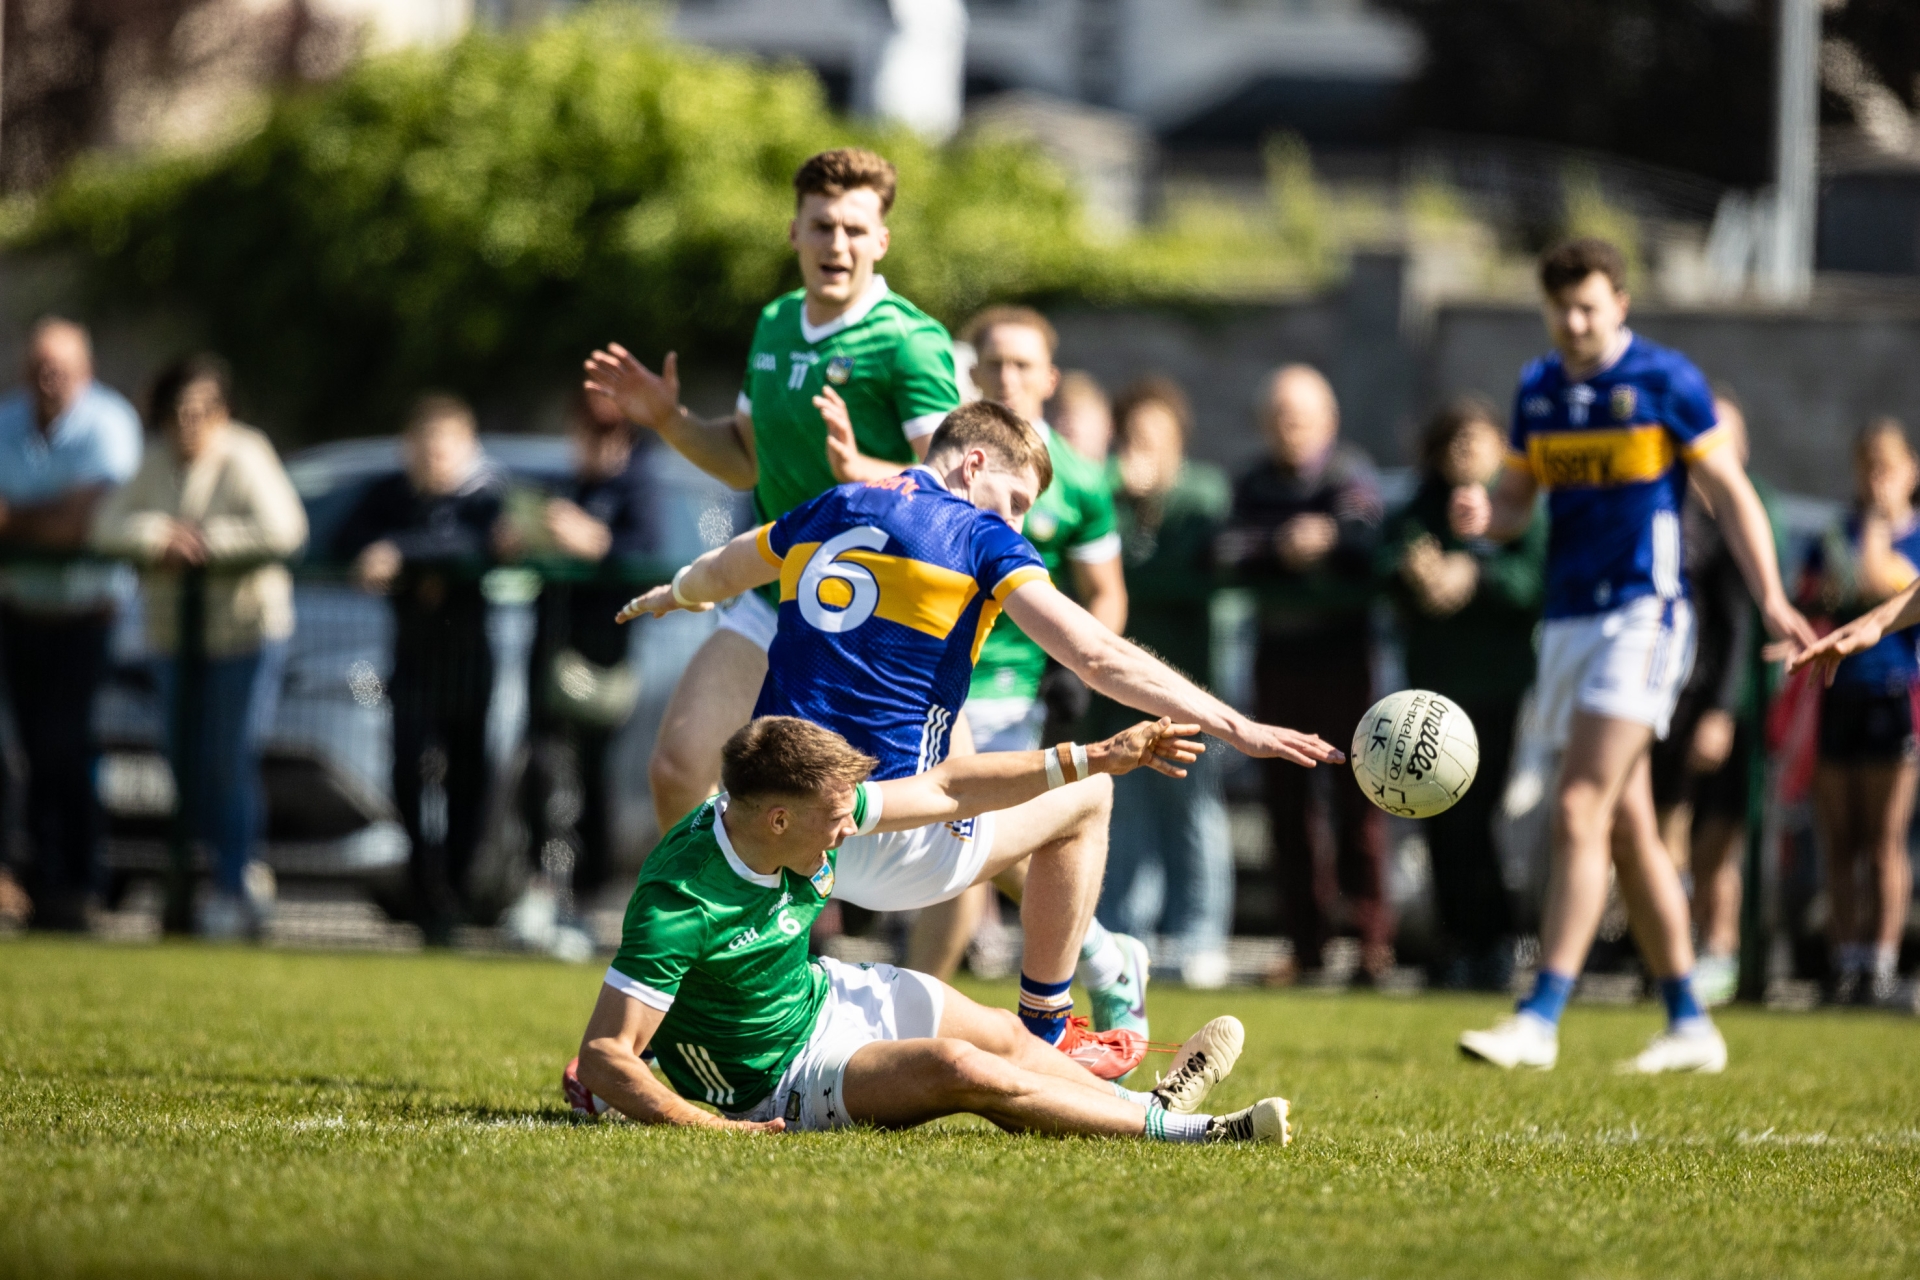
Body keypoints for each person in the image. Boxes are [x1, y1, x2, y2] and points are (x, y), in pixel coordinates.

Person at [616, 402, 1342, 1074]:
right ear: (972, 467)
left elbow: (733, 561)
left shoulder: (830, 505)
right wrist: (1235, 725)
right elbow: (1096, 653)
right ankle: (1051, 1024)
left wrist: (674, 594)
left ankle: (639, 1046)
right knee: (1086, 797)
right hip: (892, 835)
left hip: (780, 836)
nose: (1020, 523)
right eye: (1019, 500)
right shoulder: (979, 534)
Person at [566, 711, 1291, 1145]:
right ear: (778, 819)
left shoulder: (805, 818)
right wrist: (711, 1128)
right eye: (833, 819)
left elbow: (951, 787)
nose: (847, 828)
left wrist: (1098, 758)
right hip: (781, 1082)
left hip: (830, 995)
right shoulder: (681, 899)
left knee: (1008, 1036)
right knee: (963, 1070)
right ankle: (1199, 1131)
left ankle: (1146, 1106)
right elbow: (603, 1053)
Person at [1454, 238, 1811, 1073]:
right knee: (1628, 823)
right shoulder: (1539, 389)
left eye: (1590, 305)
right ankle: (1691, 1021)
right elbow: (1515, 503)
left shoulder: (1665, 380)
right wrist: (1485, 519)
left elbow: (1729, 491)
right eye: (1562, 308)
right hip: (1570, 621)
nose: (1576, 322)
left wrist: (1773, 597)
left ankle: (1539, 1015)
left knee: (1578, 806)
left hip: (1643, 617)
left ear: (1620, 301)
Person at [583, 148, 962, 838]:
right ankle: (714, 938)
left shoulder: (910, 341)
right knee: (678, 769)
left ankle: (1086, 932)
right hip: (771, 594)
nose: (836, 244)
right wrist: (668, 419)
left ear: (881, 240)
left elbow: (956, 492)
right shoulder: (777, 322)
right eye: (821, 226)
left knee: (920, 832)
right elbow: (743, 463)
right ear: (794, 232)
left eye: (853, 229)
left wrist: (863, 475)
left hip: (868, 619)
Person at [898, 307, 1134, 1021]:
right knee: (963, 852)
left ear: (1049, 377)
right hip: (934, 684)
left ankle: (927, 1011)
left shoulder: (1082, 481)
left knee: (963, 844)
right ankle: (1100, 958)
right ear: (972, 373)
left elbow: (1105, 593)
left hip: (1013, 692)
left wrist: (1075, 671)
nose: (1007, 377)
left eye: (1023, 365)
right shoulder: (942, 463)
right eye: (994, 364)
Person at [93, 353, 307, 938]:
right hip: (173, 638)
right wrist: (156, 536)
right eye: (178, 411)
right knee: (185, 765)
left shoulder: (246, 453)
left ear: (223, 412)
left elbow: (285, 529)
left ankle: (235, 889)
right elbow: (106, 526)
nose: (189, 423)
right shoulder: (154, 461)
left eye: (202, 411)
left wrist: (207, 544)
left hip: (245, 634)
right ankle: (203, 882)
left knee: (229, 760)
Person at [1218, 364, 1389, 986]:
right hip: (1278, 660)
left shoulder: (1351, 474)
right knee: (1286, 809)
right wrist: (1282, 545)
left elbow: (1368, 533)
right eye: (1280, 418)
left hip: (1345, 660)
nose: (1290, 429)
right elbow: (1227, 546)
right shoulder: (1252, 482)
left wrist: (1328, 538)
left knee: (1359, 799)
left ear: (1329, 422)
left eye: (1302, 417)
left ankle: (1372, 945)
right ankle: (1307, 947)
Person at [1379, 398, 1546, 992]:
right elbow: (1383, 555)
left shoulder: (1517, 505)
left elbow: (1533, 580)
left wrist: (1475, 575)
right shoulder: (1423, 506)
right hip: (1431, 693)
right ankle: (1455, 945)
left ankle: (1495, 943)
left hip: (1496, 690)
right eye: (1455, 442)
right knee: (1437, 818)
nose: (1465, 453)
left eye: (1477, 440)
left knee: (1479, 819)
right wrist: (1415, 572)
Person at [332, 395, 503, 944]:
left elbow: (472, 544)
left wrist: (401, 554)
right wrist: (378, 553)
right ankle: (424, 886)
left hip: (469, 662)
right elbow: (342, 541)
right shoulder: (389, 497)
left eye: (445, 446)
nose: (434, 457)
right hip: (412, 661)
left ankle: (453, 891)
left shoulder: (484, 500)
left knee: (467, 779)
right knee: (406, 771)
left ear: (466, 448)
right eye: (424, 446)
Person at [497, 388, 659, 959]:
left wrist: (594, 542)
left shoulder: (638, 488)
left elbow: (645, 555)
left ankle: (586, 900)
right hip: (550, 657)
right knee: (540, 768)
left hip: (603, 663)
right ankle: (540, 890)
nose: (588, 445)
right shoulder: (567, 486)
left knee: (593, 781)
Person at [1089, 376, 1236, 988]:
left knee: (1194, 812)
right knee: (1125, 814)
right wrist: (1121, 495)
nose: (1144, 447)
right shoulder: (1104, 493)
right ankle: (1126, 936)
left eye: (1157, 435)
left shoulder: (1203, 492)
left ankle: (1201, 938)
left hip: (1189, 686)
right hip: (1118, 693)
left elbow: (1191, 570)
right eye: (1134, 435)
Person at [0, 317, 142, 930]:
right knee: (19, 754)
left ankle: (80, 883)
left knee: (67, 749)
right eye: (40, 366)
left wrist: (18, 519)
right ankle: (33, 882)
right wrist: (49, 515)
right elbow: (57, 518)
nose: (48, 377)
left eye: (60, 366)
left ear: (86, 370)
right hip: (18, 613)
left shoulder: (108, 424)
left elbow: (82, 523)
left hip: (89, 618)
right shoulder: (8, 420)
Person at [1645, 390, 1774, 1007]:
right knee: (1664, 829)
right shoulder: (1670, 512)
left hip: (1724, 701)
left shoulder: (1742, 519)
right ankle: (1670, 954)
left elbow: (1742, 624)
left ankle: (1719, 950)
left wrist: (1723, 711)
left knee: (1717, 840)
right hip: (1667, 695)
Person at [1798, 419, 1920, 1007]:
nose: (1875, 482)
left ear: (1910, 474)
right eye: (1867, 470)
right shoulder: (1834, 533)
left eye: (1887, 469)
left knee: (1883, 841)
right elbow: (1818, 595)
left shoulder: (1908, 537)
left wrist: (1875, 530)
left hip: (1895, 696)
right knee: (1839, 840)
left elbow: (1882, 581)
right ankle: (1846, 961)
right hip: (1839, 696)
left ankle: (1883, 961)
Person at [1051, 370, 1113, 465]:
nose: (1070, 424)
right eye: (1062, 416)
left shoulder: (1120, 474)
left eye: (1080, 416)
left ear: (1109, 428)